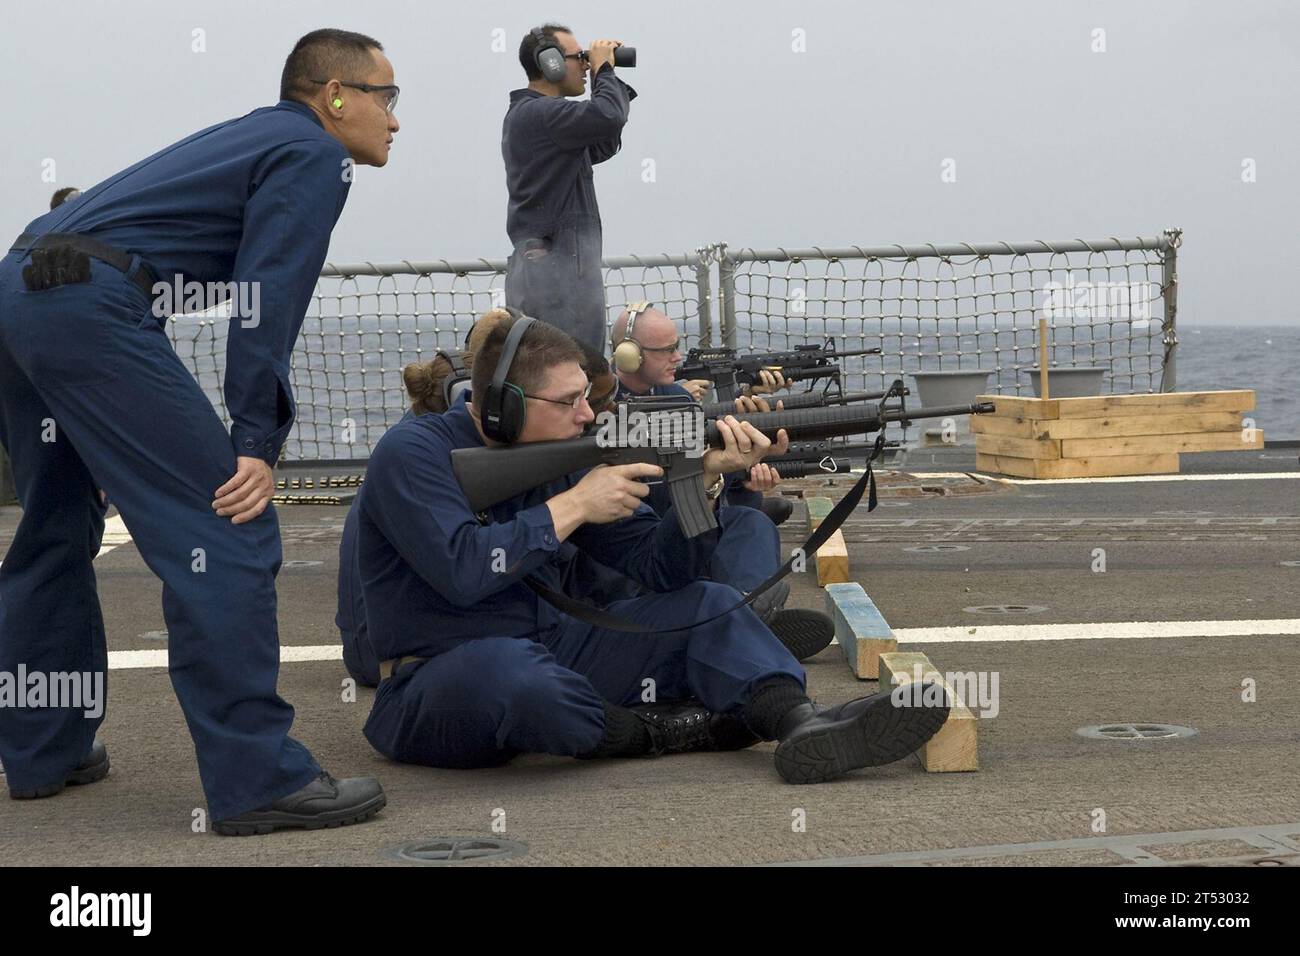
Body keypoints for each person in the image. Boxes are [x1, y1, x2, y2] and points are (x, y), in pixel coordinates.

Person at [0, 29, 400, 835]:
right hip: (88, 308)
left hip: (20, 288)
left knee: (53, 527)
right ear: (334, 95)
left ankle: (44, 748)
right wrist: (254, 440)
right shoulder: (313, 154)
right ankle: (258, 781)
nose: (395, 120)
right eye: (386, 98)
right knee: (229, 527)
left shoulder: (248, 135)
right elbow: (266, 296)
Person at [355, 316, 949, 782]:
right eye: (569, 402)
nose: (588, 414)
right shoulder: (413, 454)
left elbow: (657, 570)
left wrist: (706, 477)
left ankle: (798, 721)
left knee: (705, 603)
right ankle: (673, 731)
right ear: (503, 406)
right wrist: (574, 507)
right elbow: (462, 570)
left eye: (586, 396)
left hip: (559, 646)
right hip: (439, 678)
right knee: (513, 678)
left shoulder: (563, 451)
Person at [502, 24, 635, 352]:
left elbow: (603, 142)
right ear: (550, 63)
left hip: (555, 274)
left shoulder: (537, 117)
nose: (586, 65)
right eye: (579, 58)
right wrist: (605, 70)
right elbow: (608, 116)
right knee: (568, 372)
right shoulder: (541, 113)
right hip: (556, 280)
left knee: (571, 377)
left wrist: (608, 77)